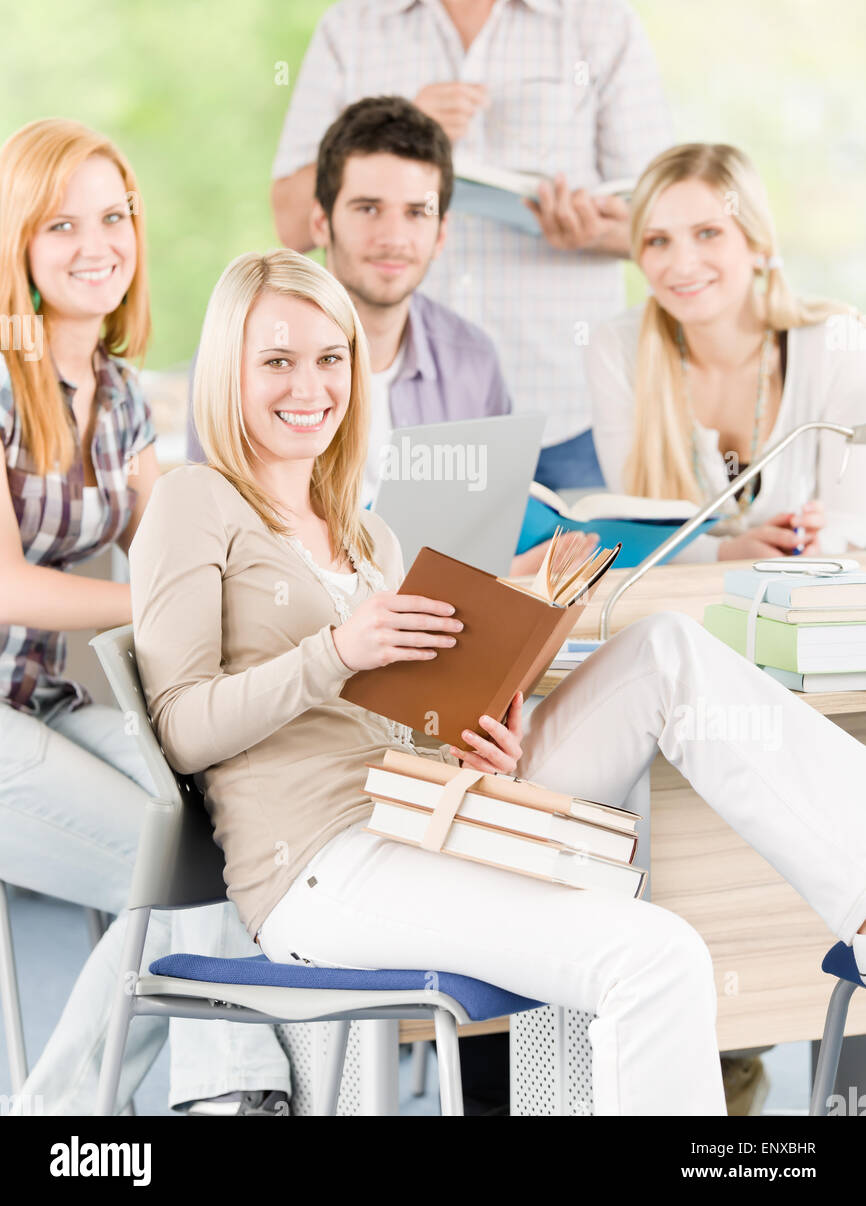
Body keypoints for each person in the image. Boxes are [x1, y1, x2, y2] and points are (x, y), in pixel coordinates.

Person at [130, 247, 866, 1116]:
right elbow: (179, 726)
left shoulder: (371, 538)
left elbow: (398, 727)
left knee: (665, 648)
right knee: (658, 954)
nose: (310, 386)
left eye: (331, 359)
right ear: (228, 372)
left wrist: (480, 743)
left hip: (430, 815)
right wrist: (335, 649)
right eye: (277, 362)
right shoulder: (194, 502)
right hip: (325, 868)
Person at [0, 118, 292, 1116]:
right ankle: (217, 1091)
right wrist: (168, 600)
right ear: (18, 244)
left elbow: (168, 535)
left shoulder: (118, 391)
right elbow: (7, 585)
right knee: (172, 867)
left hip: (42, 699)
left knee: (229, 808)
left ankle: (196, 1095)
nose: (98, 244)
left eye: (115, 216)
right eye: (62, 224)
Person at [269, 0, 674, 493]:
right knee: (398, 599)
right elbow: (290, 219)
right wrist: (401, 131)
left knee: (562, 598)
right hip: (389, 420)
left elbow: (663, 227)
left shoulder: (604, 28)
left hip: (564, 419)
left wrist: (596, 228)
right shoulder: (350, 29)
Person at [191, 95, 596, 580]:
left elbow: (482, 544)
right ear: (322, 221)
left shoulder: (473, 362)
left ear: (441, 232)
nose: (393, 237)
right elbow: (221, 547)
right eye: (368, 209)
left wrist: (508, 574)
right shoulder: (243, 349)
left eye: (417, 213)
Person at [586, 143, 866, 562]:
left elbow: (853, 525)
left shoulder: (835, 343)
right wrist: (725, 554)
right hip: (676, 609)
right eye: (658, 240)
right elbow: (636, 528)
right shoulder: (617, 349)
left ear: (758, 243)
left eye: (707, 233)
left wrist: (815, 543)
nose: (681, 265)